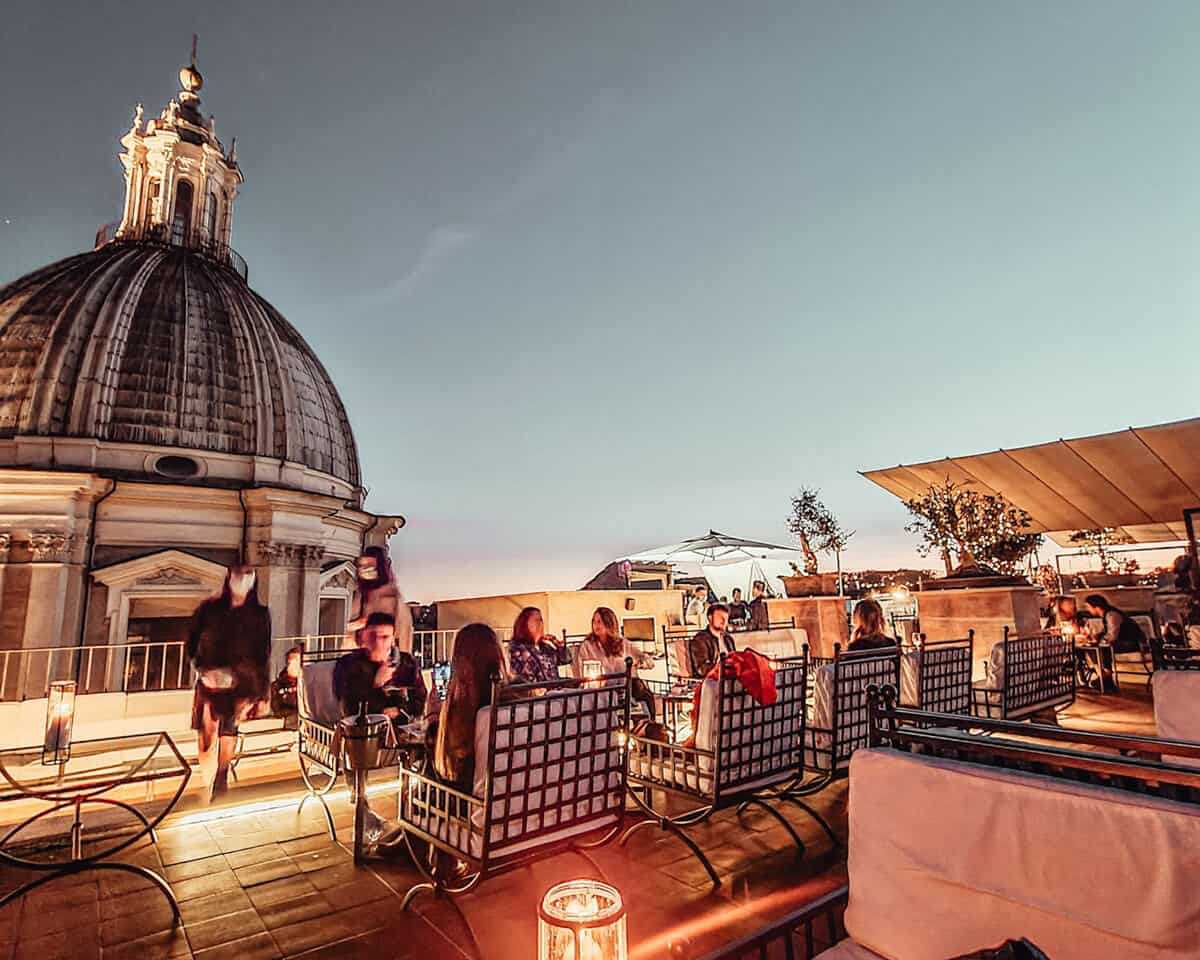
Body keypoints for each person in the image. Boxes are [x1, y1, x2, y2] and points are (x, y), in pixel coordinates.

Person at [187, 563, 272, 799]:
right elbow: (192, 641)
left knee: (229, 728)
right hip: (210, 677)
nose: (243, 578)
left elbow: (263, 652)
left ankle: (221, 776)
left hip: (242, 681)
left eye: (249, 574)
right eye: (239, 573)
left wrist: (263, 692)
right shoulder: (209, 609)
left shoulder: (259, 614)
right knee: (206, 729)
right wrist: (201, 669)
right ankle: (208, 776)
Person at [433, 623, 508, 790]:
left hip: (474, 793)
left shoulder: (466, 710)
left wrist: (432, 719)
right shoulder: (517, 697)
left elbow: (454, 765)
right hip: (513, 788)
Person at [333, 612, 426, 720]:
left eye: (385, 637)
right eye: (372, 635)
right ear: (363, 636)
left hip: (402, 725)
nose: (378, 642)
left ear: (392, 640)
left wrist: (399, 711)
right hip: (366, 726)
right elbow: (349, 710)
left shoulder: (406, 662)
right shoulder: (348, 664)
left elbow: (419, 702)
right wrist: (376, 684)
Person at [572, 607, 656, 716]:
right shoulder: (587, 646)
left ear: (609, 623)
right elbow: (581, 675)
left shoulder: (622, 644)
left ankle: (649, 724)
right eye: (594, 621)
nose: (595, 625)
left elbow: (647, 660)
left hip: (627, 687)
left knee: (646, 696)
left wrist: (640, 663)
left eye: (599, 621)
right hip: (602, 690)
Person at [347, 546, 414, 656]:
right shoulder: (359, 594)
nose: (365, 570)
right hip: (361, 653)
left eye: (370, 565)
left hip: (382, 654)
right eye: (362, 565)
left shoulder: (391, 597)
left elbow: (402, 631)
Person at [507, 606, 570, 685]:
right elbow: (520, 677)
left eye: (541, 620)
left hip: (554, 690)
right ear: (524, 624)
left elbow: (566, 660)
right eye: (535, 620)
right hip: (533, 690)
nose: (540, 623)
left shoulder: (545, 647)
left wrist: (559, 646)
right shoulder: (517, 648)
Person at [688, 603, 736, 677]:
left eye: (726, 618)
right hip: (712, 679)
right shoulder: (701, 639)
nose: (724, 621)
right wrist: (724, 669)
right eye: (720, 617)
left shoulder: (728, 639)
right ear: (710, 618)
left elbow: (735, 659)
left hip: (730, 677)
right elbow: (702, 669)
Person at [270, 645, 302, 729]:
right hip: (290, 727)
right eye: (297, 662)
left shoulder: (310, 682)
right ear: (289, 663)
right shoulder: (277, 686)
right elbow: (277, 711)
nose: (301, 665)